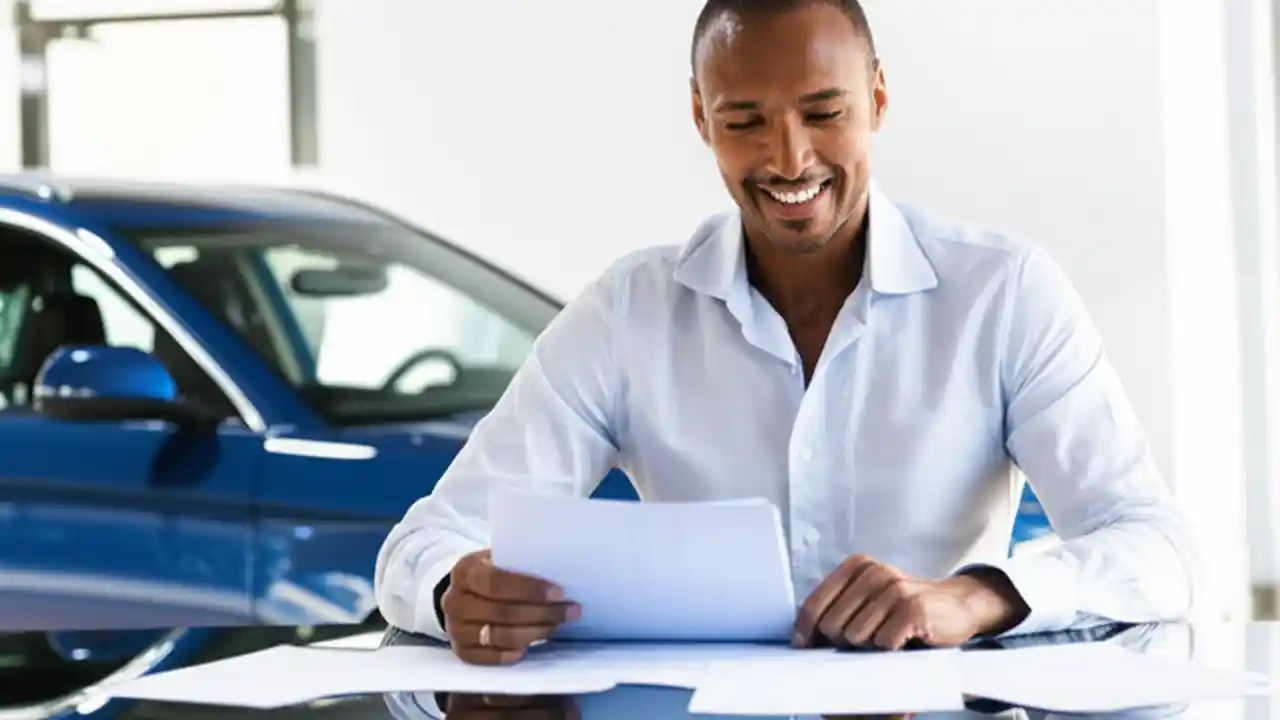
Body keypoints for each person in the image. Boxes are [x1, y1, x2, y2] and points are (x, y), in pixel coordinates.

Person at [374, 0, 1199, 666]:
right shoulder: (629, 310)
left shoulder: (1003, 293)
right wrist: (455, 588)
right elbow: (427, 539)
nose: (789, 158)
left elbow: (1155, 548)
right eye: (745, 122)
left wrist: (974, 597)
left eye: (822, 111)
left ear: (876, 99)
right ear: (700, 117)